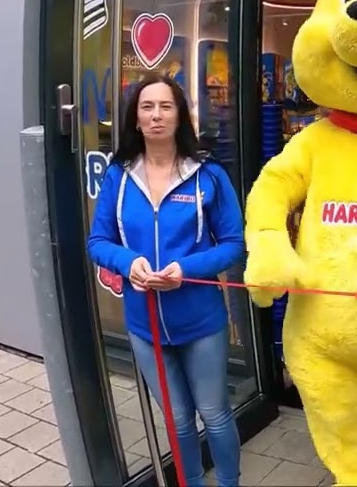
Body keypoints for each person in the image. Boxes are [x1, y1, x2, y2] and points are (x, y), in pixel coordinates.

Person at [88, 75, 246, 487]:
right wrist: (127, 262)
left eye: (165, 106)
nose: (156, 115)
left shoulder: (208, 175)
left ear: (180, 116)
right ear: (135, 119)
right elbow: (98, 241)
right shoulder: (119, 176)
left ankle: (229, 484)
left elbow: (233, 244)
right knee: (177, 421)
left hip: (201, 323)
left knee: (213, 415)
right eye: (146, 107)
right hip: (145, 327)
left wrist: (186, 270)